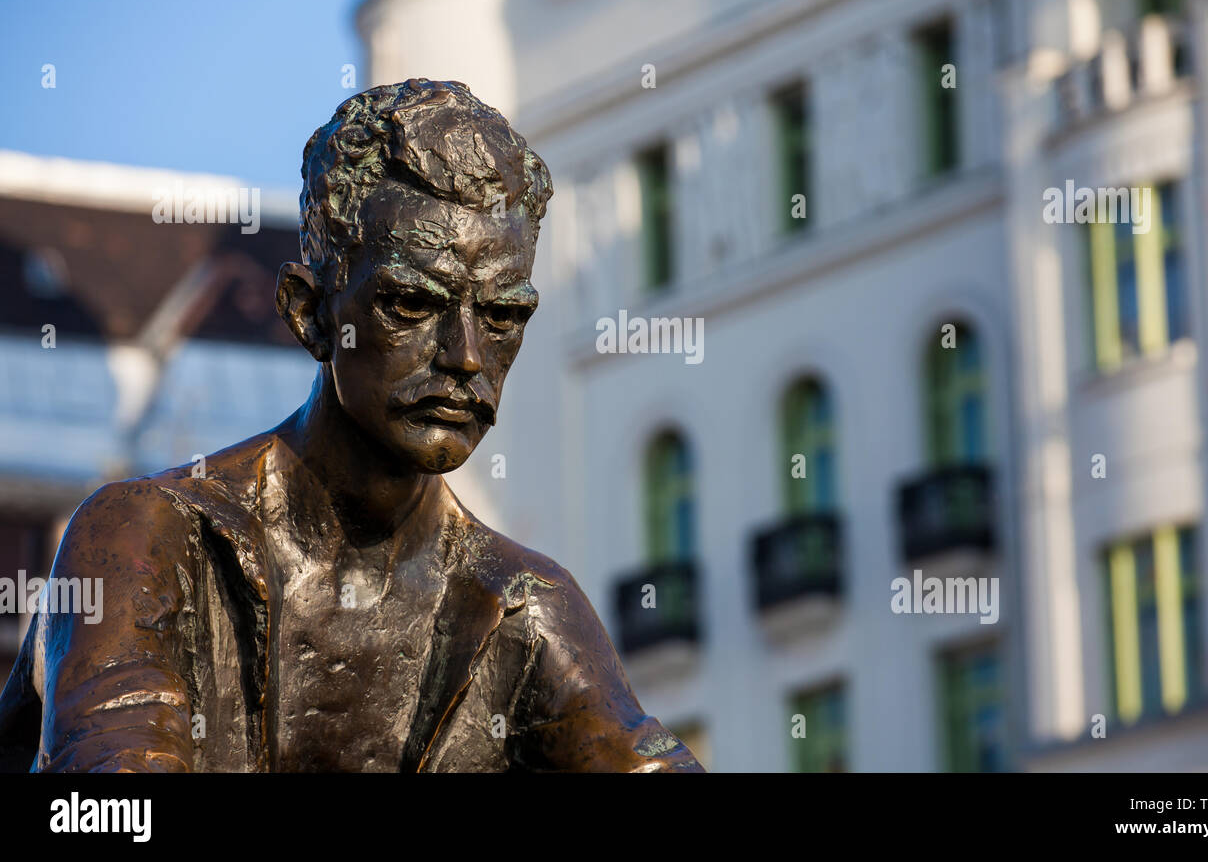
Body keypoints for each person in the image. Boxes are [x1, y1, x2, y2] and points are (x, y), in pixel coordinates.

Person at [0, 79, 702, 773]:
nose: (464, 357)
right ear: (310, 314)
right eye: (409, 305)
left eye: (501, 318)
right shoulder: (143, 539)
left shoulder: (522, 607)